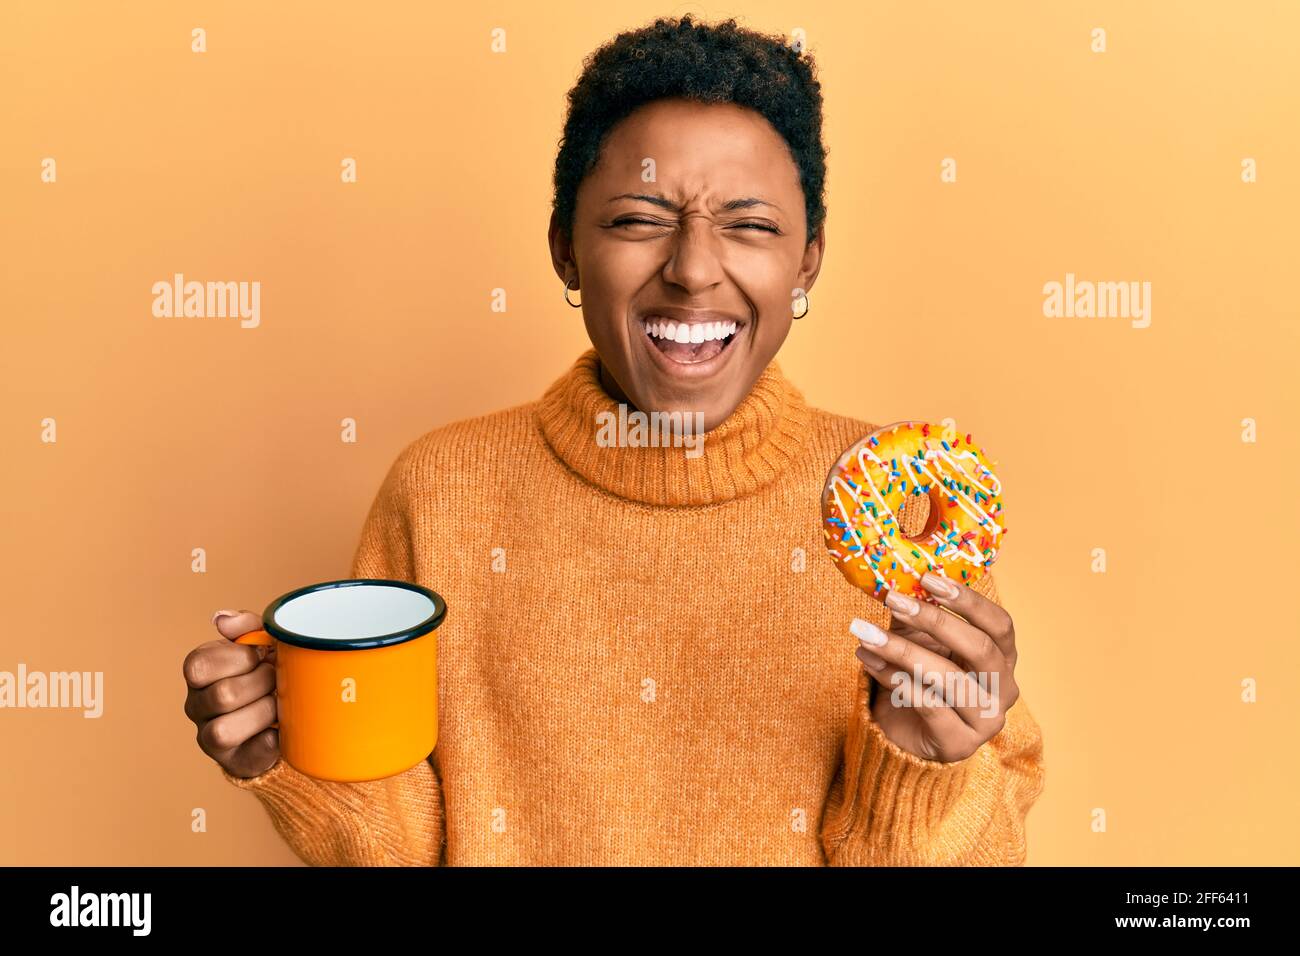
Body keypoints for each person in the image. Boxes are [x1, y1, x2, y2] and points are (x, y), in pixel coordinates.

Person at [181, 13, 1044, 866]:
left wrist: (926, 765)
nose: (695, 268)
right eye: (638, 219)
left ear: (808, 260)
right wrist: (286, 757)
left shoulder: (906, 526)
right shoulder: (442, 491)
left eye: (751, 225)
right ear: (565, 250)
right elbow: (406, 850)